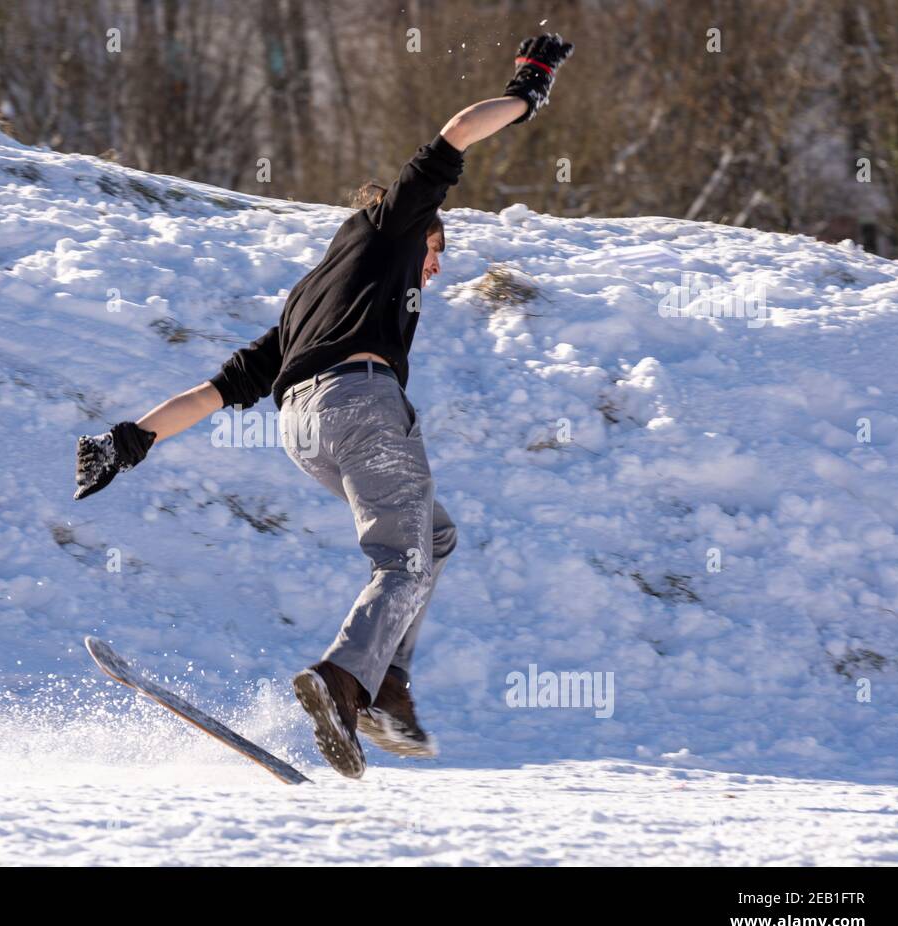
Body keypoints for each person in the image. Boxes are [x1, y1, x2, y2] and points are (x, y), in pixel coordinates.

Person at [74, 35, 575, 778]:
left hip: (304, 427)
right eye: (438, 251)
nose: (436, 267)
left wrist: (128, 441)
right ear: (417, 227)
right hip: (362, 406)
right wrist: (528, 89)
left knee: (432, 540)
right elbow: (459, 131)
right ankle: (343, 682)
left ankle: (383, 686)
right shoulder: (391, 226)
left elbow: (213, 393)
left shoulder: (307, 300)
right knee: (404, 560)